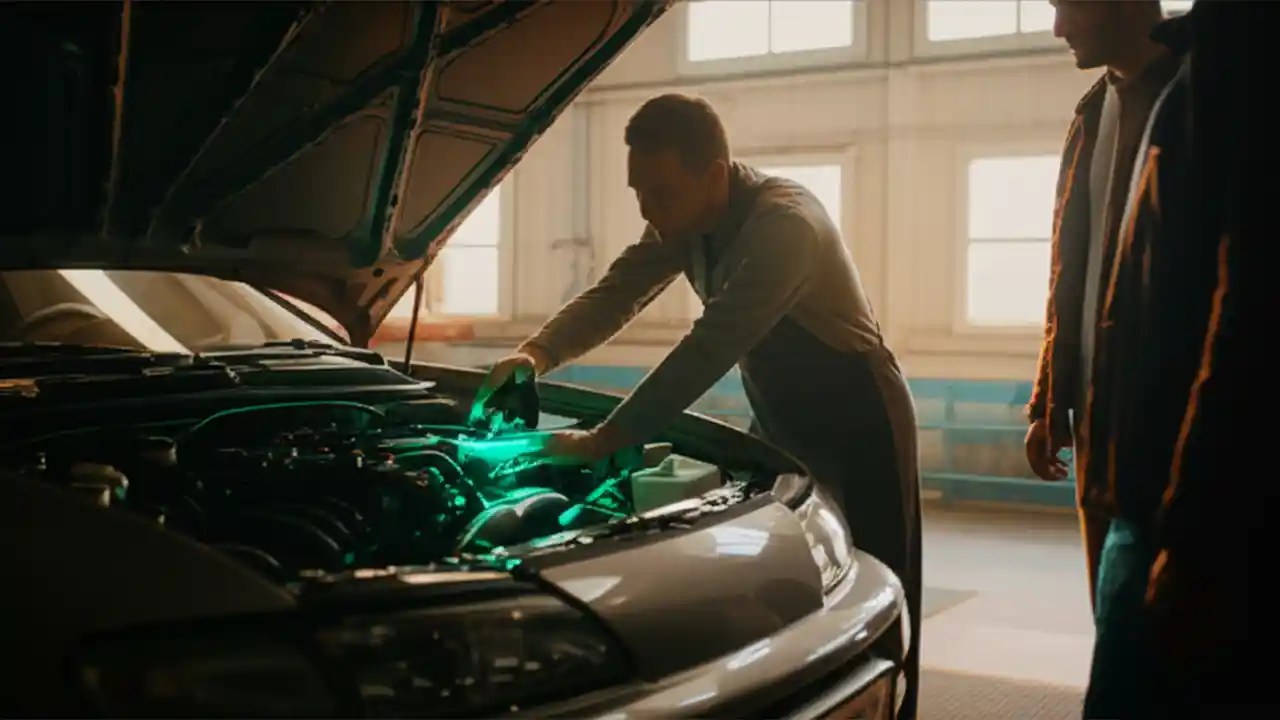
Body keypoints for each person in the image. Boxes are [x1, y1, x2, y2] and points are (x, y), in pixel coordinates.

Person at [470, 93, 923, 718]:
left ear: (714, 174)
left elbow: (708, 348)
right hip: (780, 411)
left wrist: (606, 439)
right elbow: (616, 293)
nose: (647, 211)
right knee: (799, 585)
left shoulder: (786, 226)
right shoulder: (684, 222)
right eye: (638, 193)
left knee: (882, 594)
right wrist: (534, 354)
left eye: (660, 193)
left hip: (861, 415)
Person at [1026, 0, 1181, 617]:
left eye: (1069, 7)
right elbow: (1069, 271)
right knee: (1110, 610)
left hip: (1172, 422)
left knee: (1168, 623)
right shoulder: (1092, 113)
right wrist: (1050, 397)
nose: (1059, 29)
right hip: (1097, 415)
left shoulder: (1200, 97)